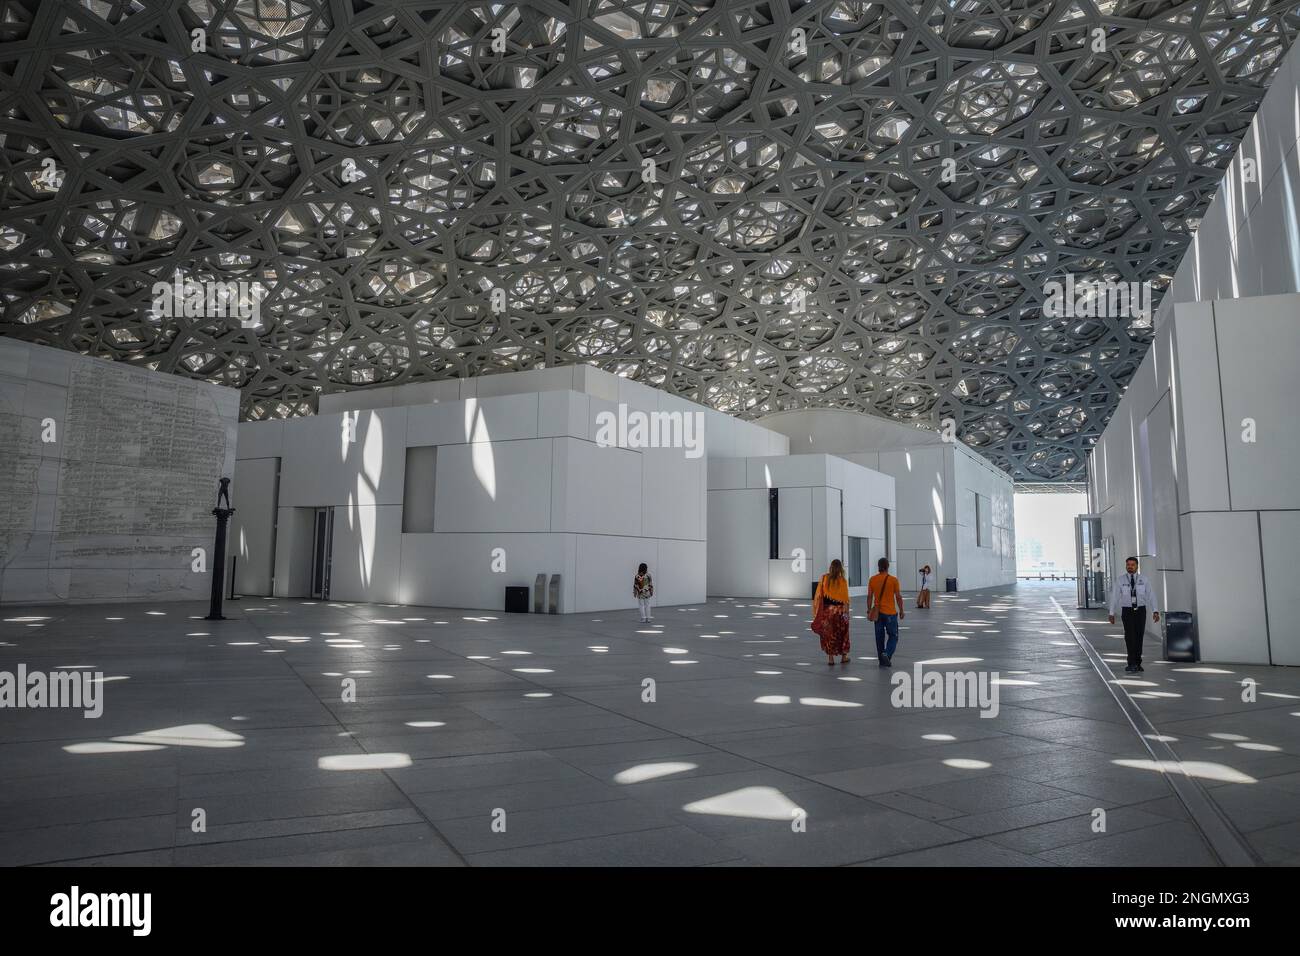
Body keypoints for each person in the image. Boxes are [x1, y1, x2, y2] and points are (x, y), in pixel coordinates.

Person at [1108, 556, 1160, 673]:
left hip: (1141, 611)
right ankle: (1131, 663)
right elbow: (1115, 597)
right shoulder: (1120, 580)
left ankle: (1138, 662)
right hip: (1127, 611)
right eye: (1128, 565)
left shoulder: (1144, 579)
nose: (1130, 567)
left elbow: (1151, 595)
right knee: (1130, 636)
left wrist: (1155, 611)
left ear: (1137, 566)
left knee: (1139, 636)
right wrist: (1111, 613)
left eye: (1132, 565)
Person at [812, 559, 851, 665]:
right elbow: (846, 600)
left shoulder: (824, 578)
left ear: (831, 567)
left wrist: (817, 610)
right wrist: (847, 614)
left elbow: (819, 596)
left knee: (829, 634)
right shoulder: (842, 580)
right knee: (843, 633)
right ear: (841, 568)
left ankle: (831, 659)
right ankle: (844, 657)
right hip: (841, 612)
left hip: (828, 612)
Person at [867, 557, 904, 667]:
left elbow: (869, 597)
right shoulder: (893, 580)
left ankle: (881, 660)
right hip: (890, 613)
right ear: (888, 566)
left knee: (879, 637)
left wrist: (869, 609)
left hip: (878, 613)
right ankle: (886, 654)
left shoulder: (872, 580)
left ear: (878, 567)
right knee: (893, 636)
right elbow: (898, 597)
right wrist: (901, 610)